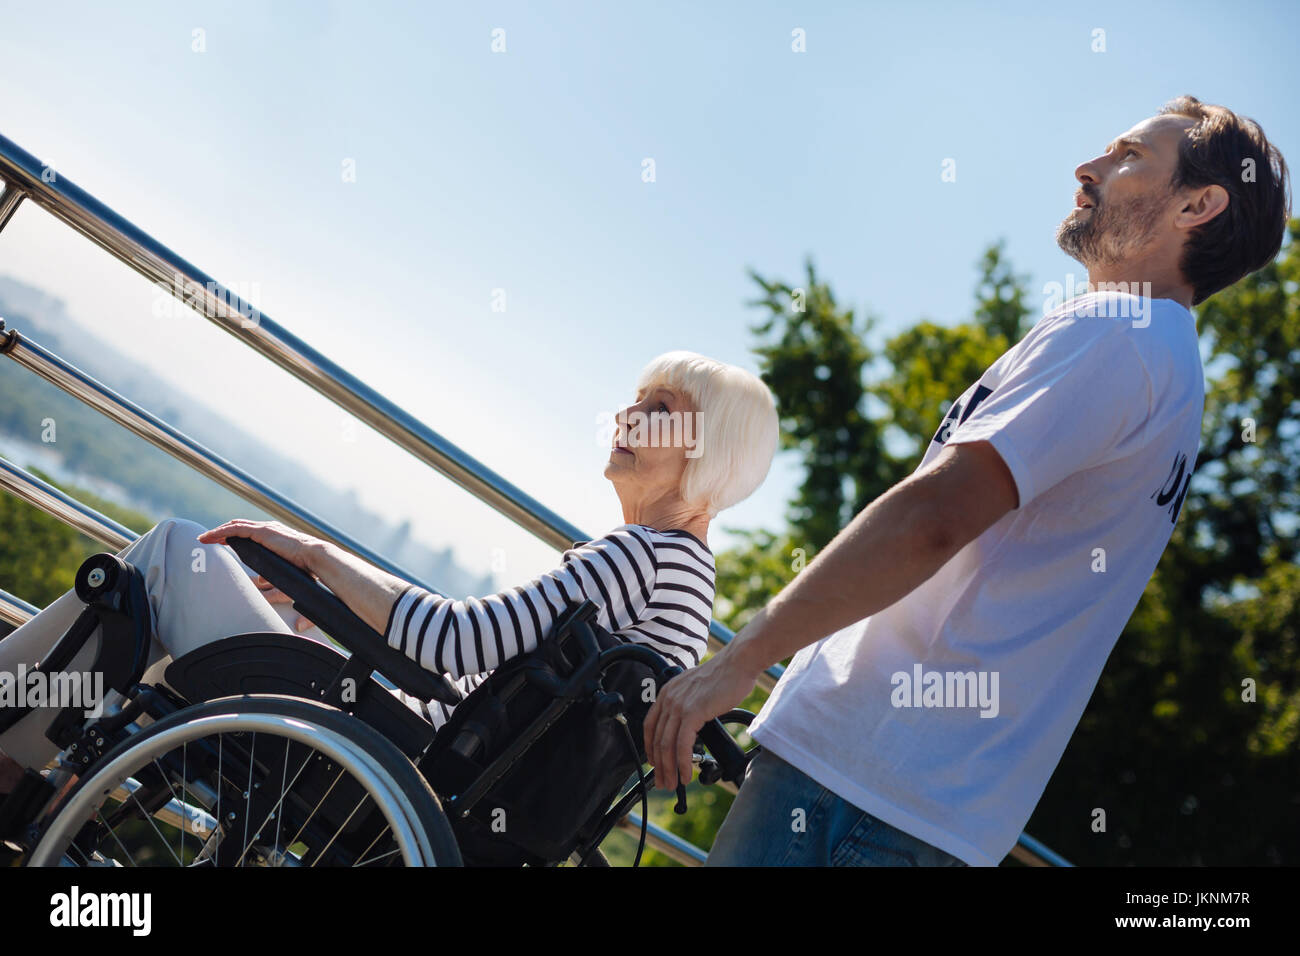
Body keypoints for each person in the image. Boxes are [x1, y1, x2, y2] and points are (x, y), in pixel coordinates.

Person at [645, 95, 1291, 867]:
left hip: (854, 791)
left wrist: (738, 658)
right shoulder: (1173, 371)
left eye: (1127, 156)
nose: (1087, 168)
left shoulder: (1120, 332)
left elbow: (934, 519)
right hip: (922, 813)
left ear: (1198, 204)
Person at [0, 351, 778, 795]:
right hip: (431, 774)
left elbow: (449, 642)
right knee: (210, 608)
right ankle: (39, 775)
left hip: (385, 766)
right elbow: (486, 678)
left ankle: (8, 759)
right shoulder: (685, 577)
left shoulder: (636, 555)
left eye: (659, 408)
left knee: (174, 554)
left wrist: (314, 556)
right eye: (632, 400)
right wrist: (322, 613)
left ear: (708, 453)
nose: (625, 416)